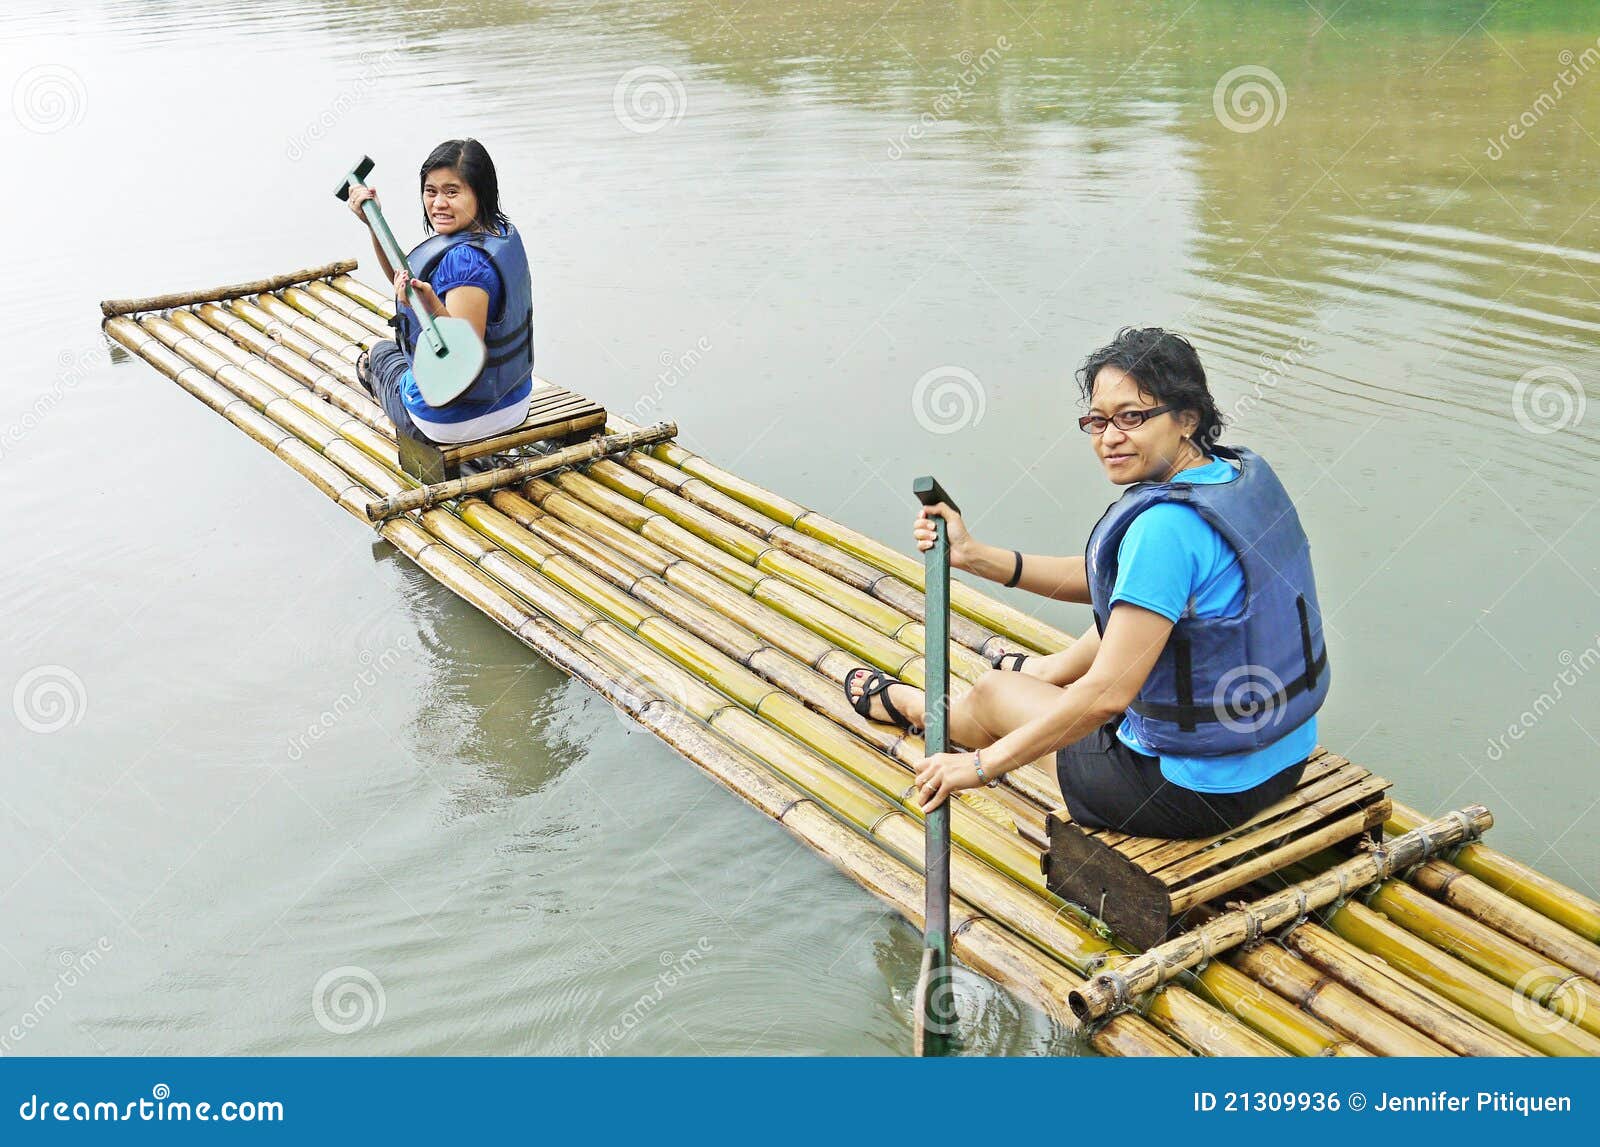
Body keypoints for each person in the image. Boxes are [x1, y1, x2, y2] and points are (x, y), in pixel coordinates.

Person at [845, 327, 1330, 839]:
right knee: (1142, 622)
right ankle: (1047, 672)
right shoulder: (1236, 478)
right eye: (1097, 421)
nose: (1109, 437)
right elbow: (1128, 584)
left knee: (994, 692)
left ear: (1187, 419)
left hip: (1190, 795)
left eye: (1132, 417)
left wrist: (981, 766)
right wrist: (974, 556)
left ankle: (912, 708)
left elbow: (1105, 698)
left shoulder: (1166, 527)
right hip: (1284, 760)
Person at [346, 138, 534, 445]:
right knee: (404, 354)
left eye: (452, 192)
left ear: (480, 192)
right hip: (514, 402)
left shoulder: (464, 262)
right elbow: (403, 276)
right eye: (430, 192)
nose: (438, 203)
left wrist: (432, 306)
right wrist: (373, 223)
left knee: (379, 356)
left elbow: (460, 364)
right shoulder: (500, 235)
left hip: (459, 422)